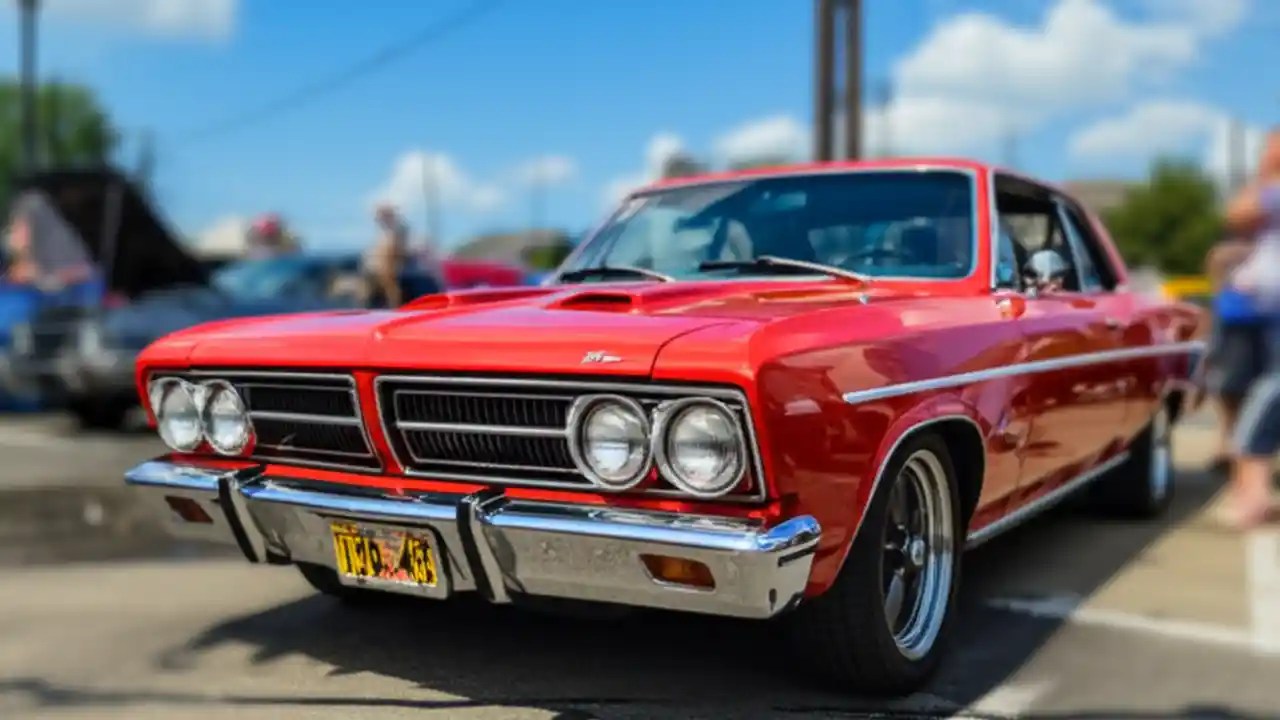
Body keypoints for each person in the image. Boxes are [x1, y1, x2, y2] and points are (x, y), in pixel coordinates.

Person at [1221, 128, 1280, 528]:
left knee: (1270, 391)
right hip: (1259, 307)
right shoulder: (1268, 190)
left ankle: (1252, 491)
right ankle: (1250, 490)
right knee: (1261, 391)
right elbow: (1238, 215)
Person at [1202, 236, 1268, 473]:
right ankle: (1236, 454)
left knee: (1232, 411)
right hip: (1251, 357)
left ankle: (1227, 452)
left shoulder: (1224, 298)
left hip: (1230, 358)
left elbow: (1214, 338)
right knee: (1246, 410)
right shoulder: (1260, 297)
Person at [365, 204, 409, 308]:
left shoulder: (399, 230)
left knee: (392, 290)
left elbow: (395, 250)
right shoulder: (385, 232)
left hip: (391, 268)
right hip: (379, 270)